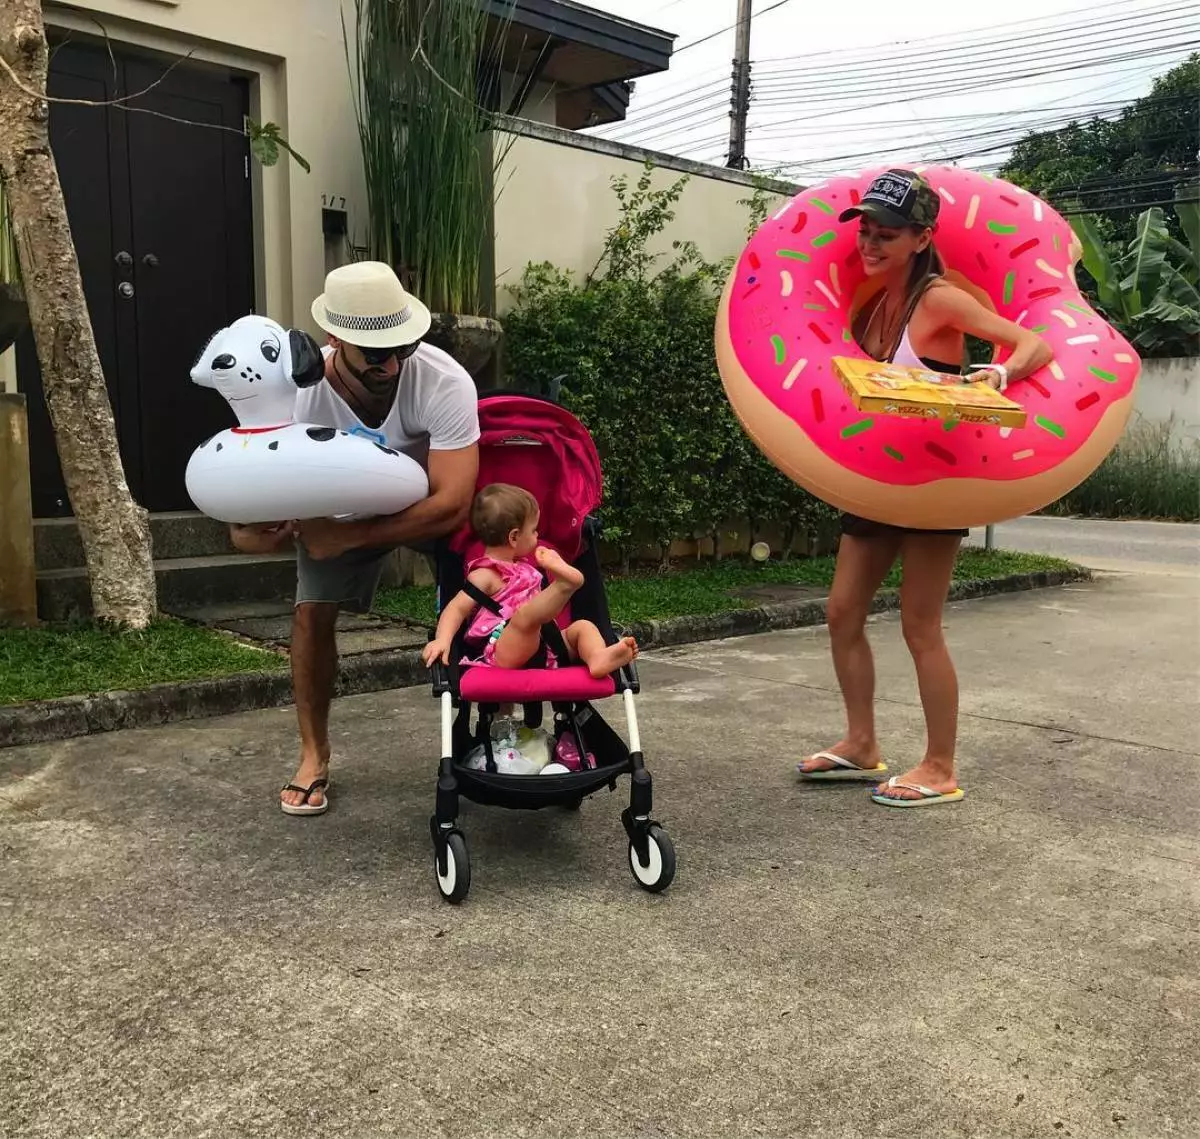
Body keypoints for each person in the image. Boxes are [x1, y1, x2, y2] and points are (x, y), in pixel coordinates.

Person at [795, 169, 1052, 807]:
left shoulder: (938, 300)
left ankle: (940, 767)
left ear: (921, 238)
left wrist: (995, 374)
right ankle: (861, 742)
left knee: (920, 625)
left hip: (934, 480)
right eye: (868, 234)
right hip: (880, 480)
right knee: (842, 612)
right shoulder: (876, 300)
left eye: (887, 235)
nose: (872, 245)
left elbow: (1032, 343)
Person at [229, 261, 481, 817]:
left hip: (425, 511)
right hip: (334, 515)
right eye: (375, 353)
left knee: (495, 586)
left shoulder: (444, 380)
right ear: (335, 339)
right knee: (310, 613)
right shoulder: (296, 396)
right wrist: (262, 529)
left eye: (404, 347)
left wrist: (353, 537)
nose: (391, 363)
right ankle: (313, 754)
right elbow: (243, 529)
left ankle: (491, 723)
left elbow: (453, 502)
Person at [422, 483, 638, 677]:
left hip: (547, 644)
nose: (537, 536)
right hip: (501, 649)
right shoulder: (484, 574)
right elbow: (456, 609)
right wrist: (442, 639)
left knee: (582, 627)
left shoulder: (525, 569)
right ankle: (565, 584)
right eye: (534, 530)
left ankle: (598, 657)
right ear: (514, 537)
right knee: (525, 618)